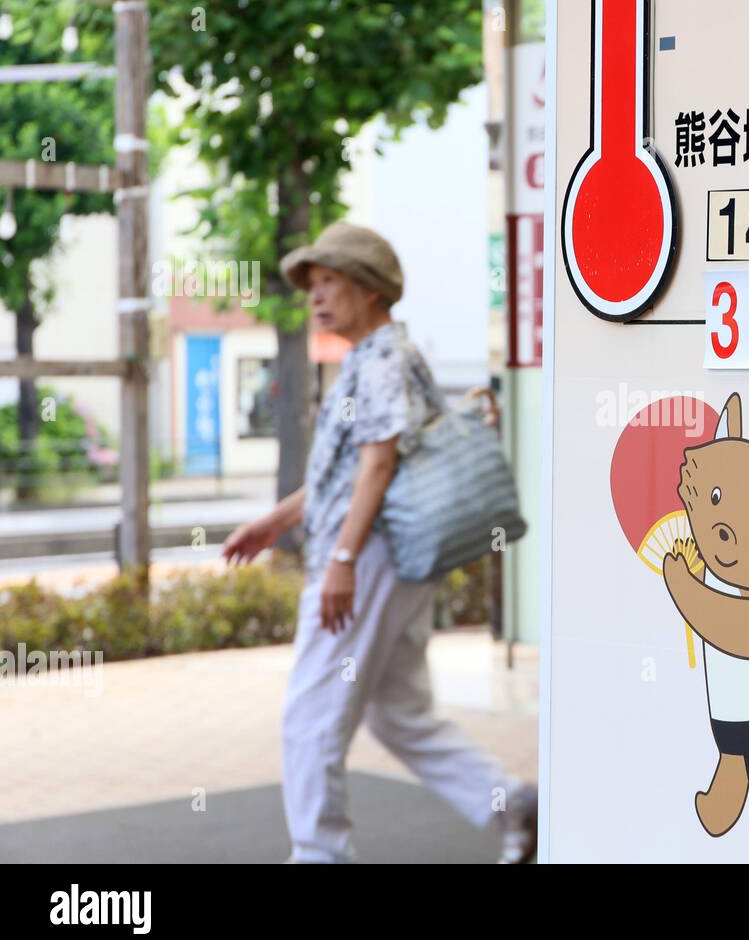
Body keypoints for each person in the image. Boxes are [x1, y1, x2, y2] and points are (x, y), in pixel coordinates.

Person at [222, 221, 537, 864]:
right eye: (313, 284)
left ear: (368, 288)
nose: (315, 296)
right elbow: (351, 472)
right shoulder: (378, 357)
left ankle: (320, 855)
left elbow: (380, 465)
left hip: (368, 559)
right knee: (398, 715)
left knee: (310, 719)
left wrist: (341, 560)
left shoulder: (382, 360)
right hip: (392, 560)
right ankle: (517, 805)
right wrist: (277, 521)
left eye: (329, 280)